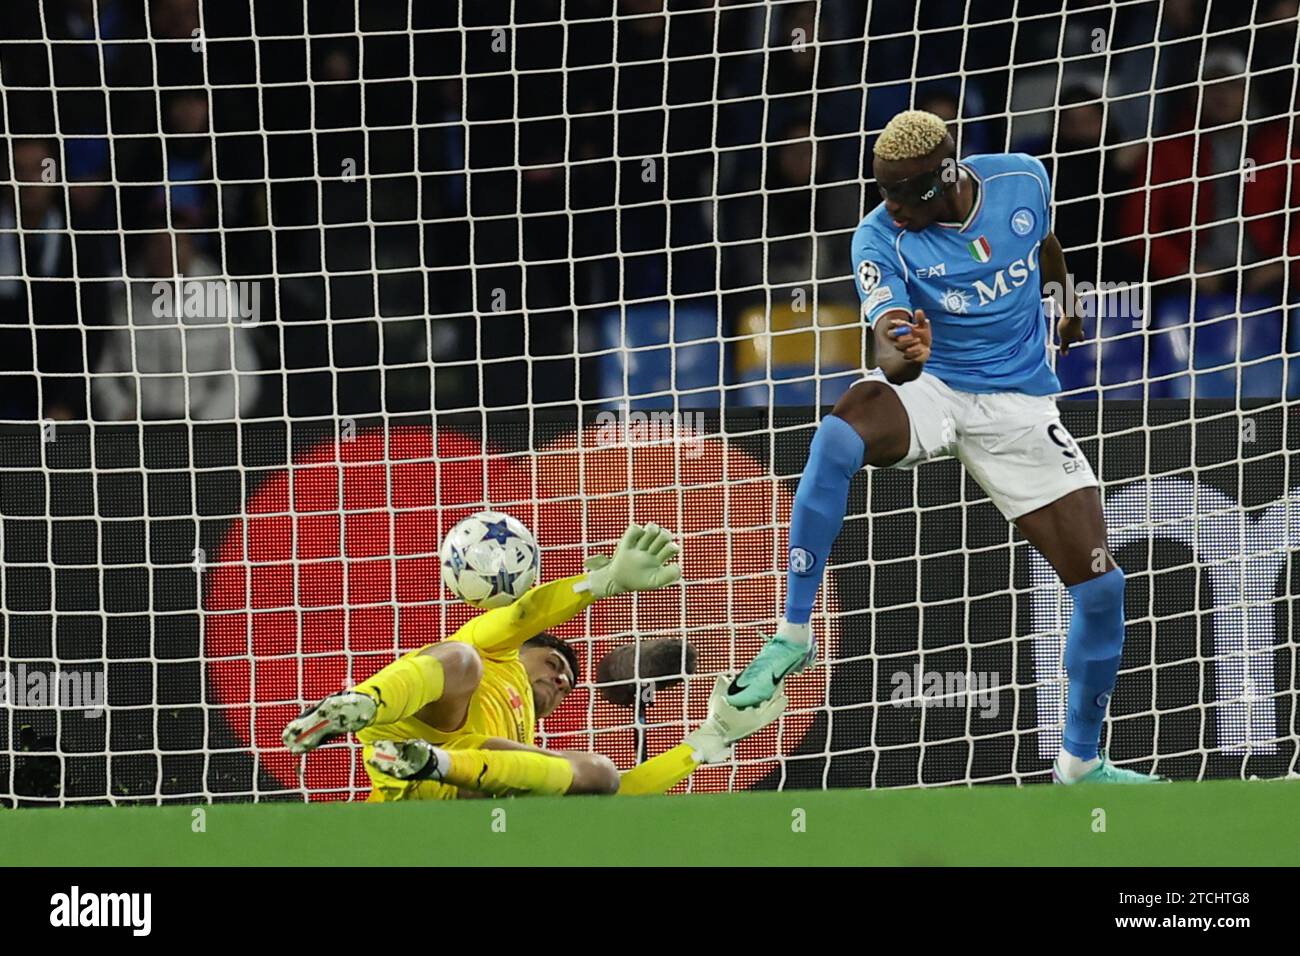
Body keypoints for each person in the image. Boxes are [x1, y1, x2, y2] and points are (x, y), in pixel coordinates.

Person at [725, 110, 1163, 785]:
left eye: (904, 193)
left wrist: (1064, 297)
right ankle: (793, 632)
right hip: (933, 385)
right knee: (837, 436)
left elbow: (1043, 240)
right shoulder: (880, 237)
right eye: (884, 190)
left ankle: (1081, 760)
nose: (891, 206)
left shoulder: (1024, 179)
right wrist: (905, 353)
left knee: (1104, 588)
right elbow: (888, 339)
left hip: (1019, 407)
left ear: (949, 175)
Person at [283, 523, 786, 799]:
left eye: (568, 682)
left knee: (600, 775)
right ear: (524, 648)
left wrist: (706, 742)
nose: (563, 677)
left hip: (456, 784)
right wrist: (602, 582)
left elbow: (622, 795)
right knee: (461, 661)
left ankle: (434, 764)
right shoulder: (493, 647)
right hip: (413, 724)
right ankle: (360, 704)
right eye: (552, 661)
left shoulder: (521, 744)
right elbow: (522, 612)